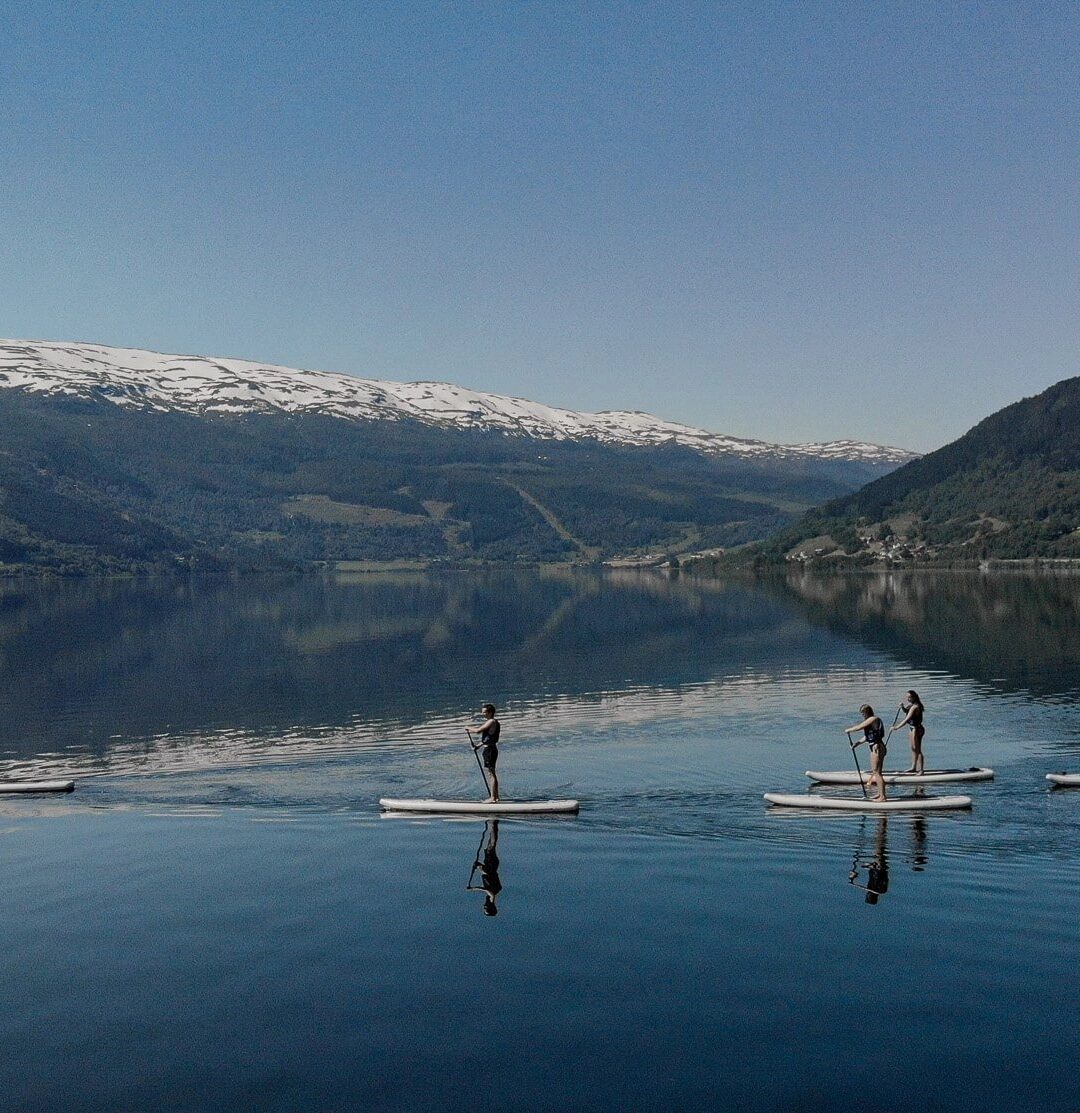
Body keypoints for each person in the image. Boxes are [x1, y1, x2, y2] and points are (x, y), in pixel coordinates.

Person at [845, 704, 887, 801]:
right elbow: (868, 737)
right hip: (875, 746)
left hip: (877, 747)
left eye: (863, 713)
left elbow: (859, 727)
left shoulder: (873, 719)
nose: (862, 715)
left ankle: (883, 797)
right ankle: (880, 794)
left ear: (867, 712)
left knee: (876, 773)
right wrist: (857, 743)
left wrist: (849, 730)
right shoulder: (869, 722)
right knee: (877, 772)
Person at [466, 820, 502, 916]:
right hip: (491, 865)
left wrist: (478, 867)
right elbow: (490, 892)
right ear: (491, 906)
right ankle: (494, 824)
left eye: (484, 908)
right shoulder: (493, 895)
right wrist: (474, 888)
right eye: (486, 908)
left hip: (489, 866)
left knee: (490, 846)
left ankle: (493, 825)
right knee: (491, 846)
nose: (484, 906)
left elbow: (485, 874)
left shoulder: (491, 893)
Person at [469, 703, 501, 802]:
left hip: (490, 751)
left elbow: (478, 731)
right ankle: (496, 797)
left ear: (490, 712)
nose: (483, 714)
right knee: (491, 773)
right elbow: (488, 739)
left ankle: (493, 798)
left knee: (491, 773)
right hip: (489, 749)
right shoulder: (492, 722)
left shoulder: (491, 721)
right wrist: (478, 746)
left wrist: (468, 728)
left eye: (484, 712)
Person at [891, 690, 926, 774]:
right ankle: (913, 767)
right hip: (912, 728)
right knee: (913, 749)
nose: (908, 699)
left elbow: (907, 719)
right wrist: (902, 707)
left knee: (918, 749)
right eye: (907, 697)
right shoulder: (911, 705)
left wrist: (896, 727)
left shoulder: (915, 707)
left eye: (909, 697)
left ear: (914, 697)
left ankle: (921, 770)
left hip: (916, 729)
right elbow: (906, 711)